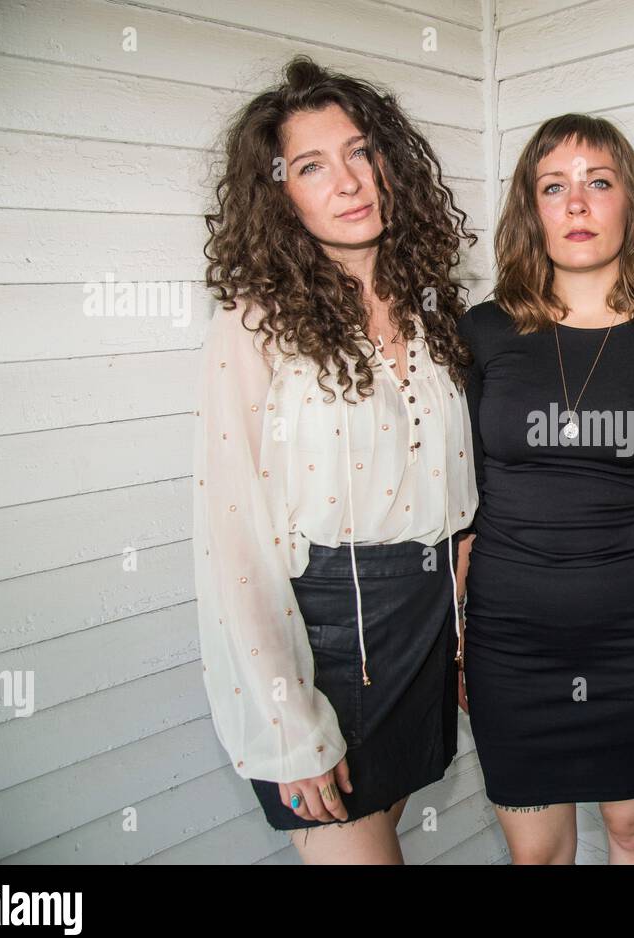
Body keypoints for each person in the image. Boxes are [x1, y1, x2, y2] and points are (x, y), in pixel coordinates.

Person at [192, 56, 478, 864]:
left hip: (423, 626)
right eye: (312, 166)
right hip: (321, 635)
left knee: (388, 822)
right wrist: (286, 720)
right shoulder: (253, 330)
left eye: (361, 152)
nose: (349, 181)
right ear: (277, 191)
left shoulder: (434, 313)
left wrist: (459, 631)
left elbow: (457, 507)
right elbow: (232, 543)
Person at [457, 114, 634, 864]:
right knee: (537, 856)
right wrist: (451, 634)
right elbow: (464, 500)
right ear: (531, 209)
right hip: (509, 644)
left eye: (598, 182)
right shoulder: (480, 333)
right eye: (555, 186)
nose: (577, 204)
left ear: (629, 206)